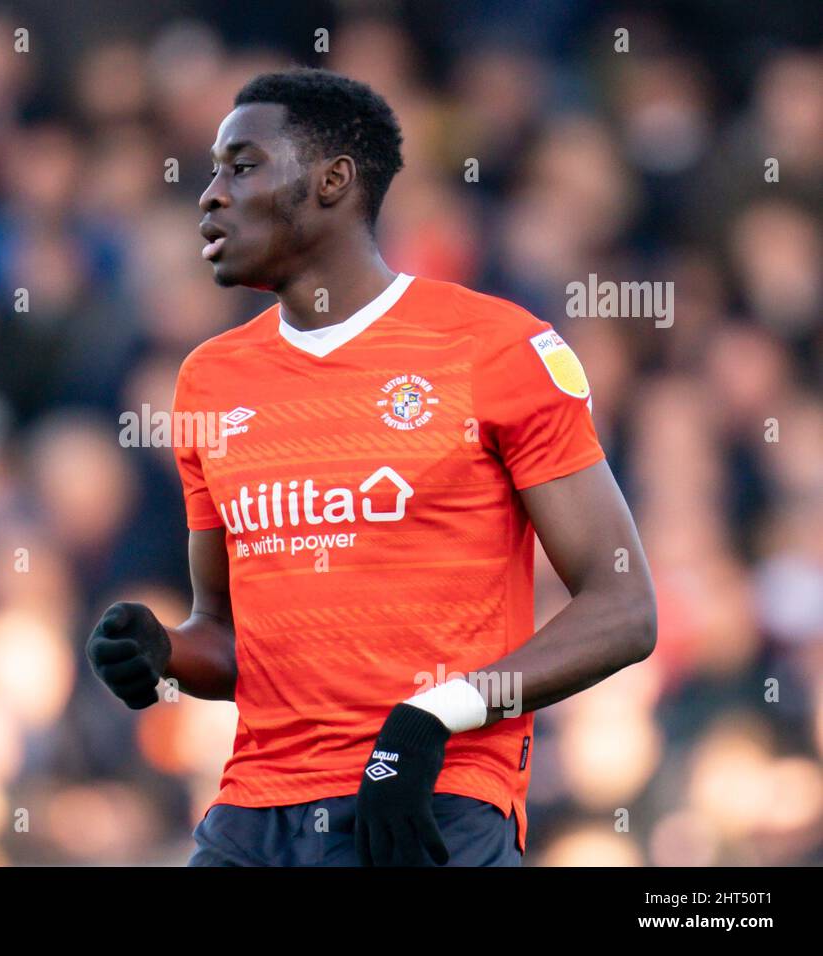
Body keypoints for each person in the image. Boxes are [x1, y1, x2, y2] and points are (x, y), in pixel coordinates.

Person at [87, 67, 657, 867]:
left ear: (333, 181)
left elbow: (624, 606)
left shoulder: (493, 348)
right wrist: (162, 650)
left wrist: (436, 715)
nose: (210, 194)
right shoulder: (209, 381)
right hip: (255, 812)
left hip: (432, 804)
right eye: (213, 170)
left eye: (241, 166)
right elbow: (226, 639)